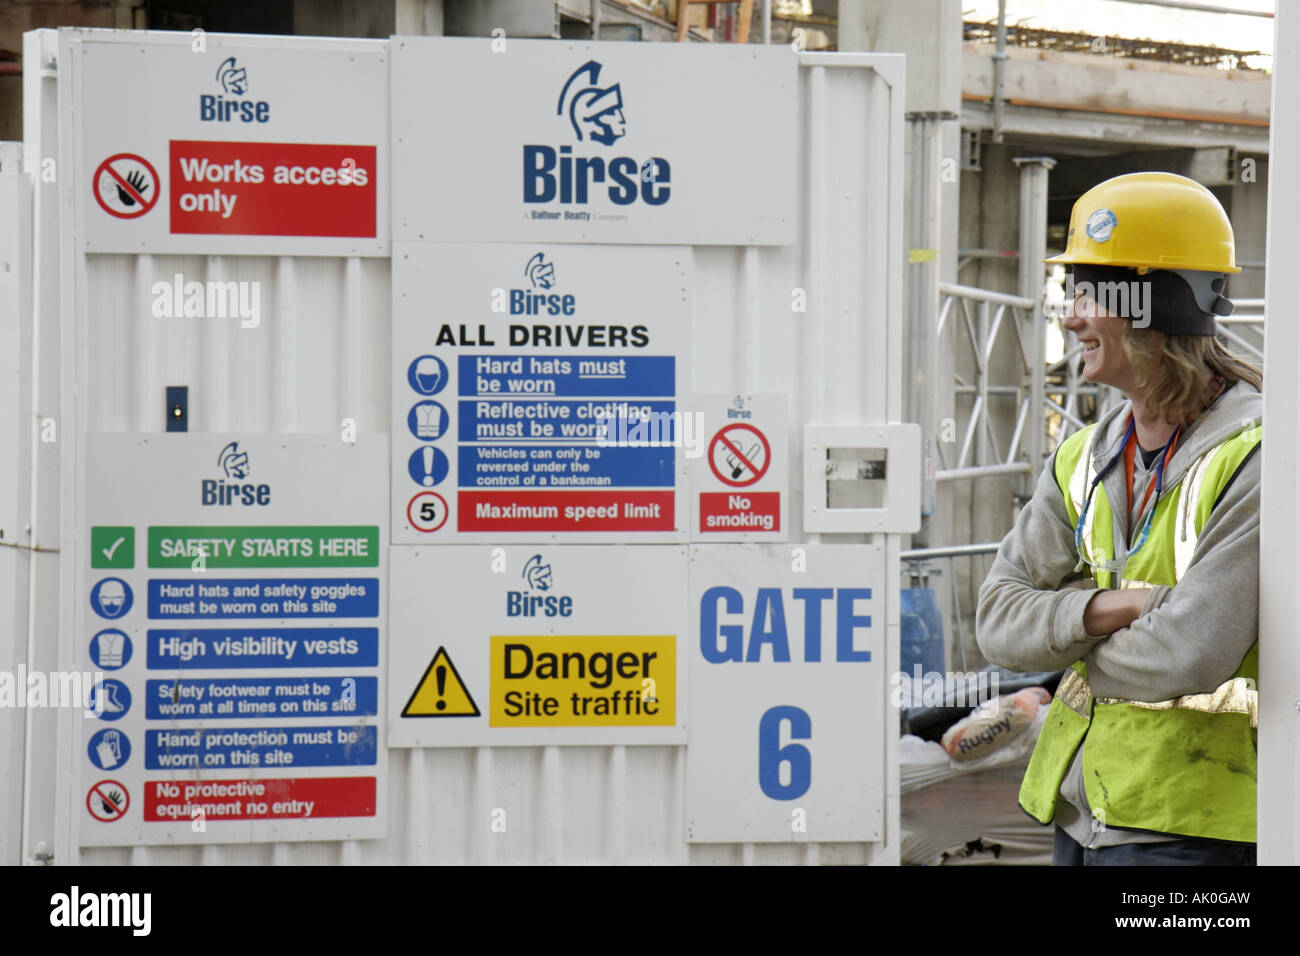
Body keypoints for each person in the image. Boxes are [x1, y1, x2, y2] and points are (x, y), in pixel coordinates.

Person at [976, 171, 1262, 866]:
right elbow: (996, 620)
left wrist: (1065, 645)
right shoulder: (1086, 455)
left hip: (1196, 824)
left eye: (1089, 294)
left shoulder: (1262, 457)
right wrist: (1118, 606)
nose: (1070, 318)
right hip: (1082, 808)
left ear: (1156, 306)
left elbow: (1190, 650)